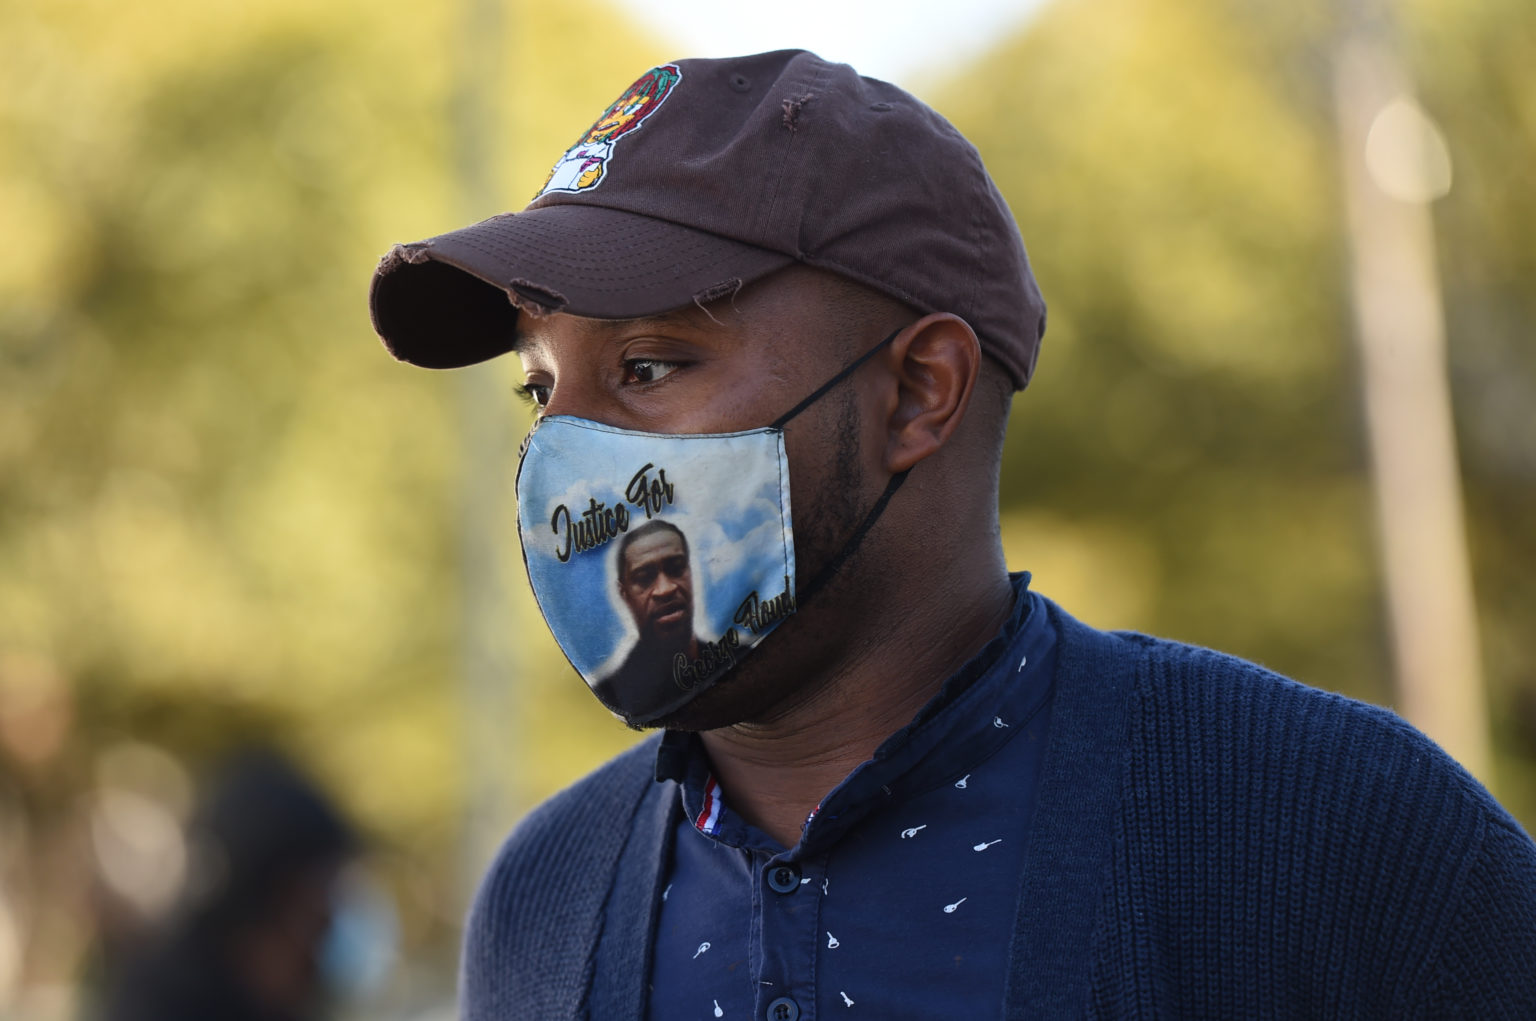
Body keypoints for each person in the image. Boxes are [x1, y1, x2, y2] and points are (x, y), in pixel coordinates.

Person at [368, 50, 1536, 1020]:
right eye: (540, 391)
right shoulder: (547, 895)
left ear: (920, 390)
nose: (565, 463)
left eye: (647, 366)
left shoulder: (1339, 838)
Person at [594, 519, 704, 711]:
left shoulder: (742, 661)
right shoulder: (616, 693)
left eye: (676, 568)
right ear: (624, 593)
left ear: (691, 572)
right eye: (644, 577)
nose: (665, 589)